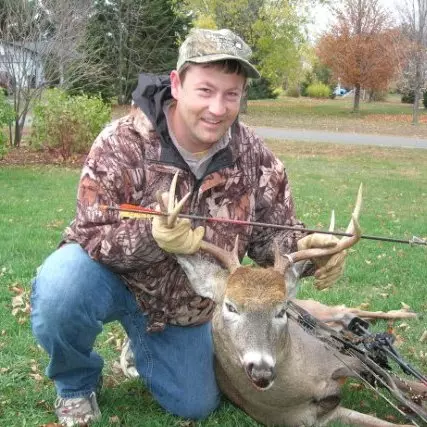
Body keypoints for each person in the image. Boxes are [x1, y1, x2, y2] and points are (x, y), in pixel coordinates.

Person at [30, 28, 347, 426]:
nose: (217, 107)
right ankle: (75, 385)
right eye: (205, 90)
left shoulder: (252, 156)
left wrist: (310, 250)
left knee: (194, 405)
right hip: (111, 281)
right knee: (62, 286)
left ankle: (143, 345)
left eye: (231, 94)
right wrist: (154, 237)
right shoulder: (121, 143)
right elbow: (92, 232)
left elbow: (273, 235)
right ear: (177, 84)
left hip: (184, 309)